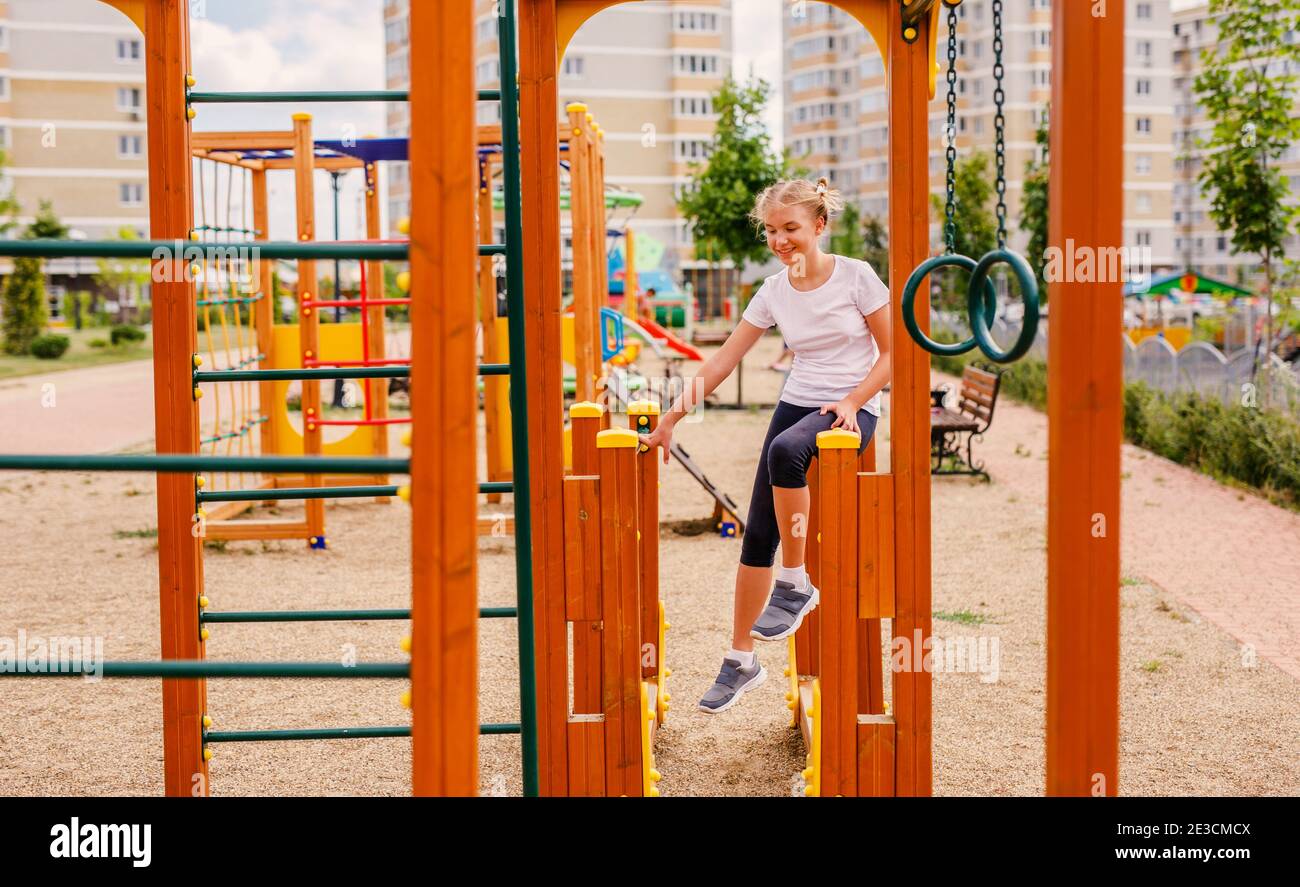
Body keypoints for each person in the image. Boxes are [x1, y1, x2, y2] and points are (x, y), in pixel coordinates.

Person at [642, 177, 892, 714]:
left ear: (819, 225)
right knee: (756, 534)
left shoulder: (857, 277)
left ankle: (796, 583)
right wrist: (670, 418)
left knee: (784, 452)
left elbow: (894, 354)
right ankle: (740, 660)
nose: (781, 241)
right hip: (799, 403)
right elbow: (722, 361)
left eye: (792, 229)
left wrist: (852, 401)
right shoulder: (774, 291)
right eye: (772, 231)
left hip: (855, 408)